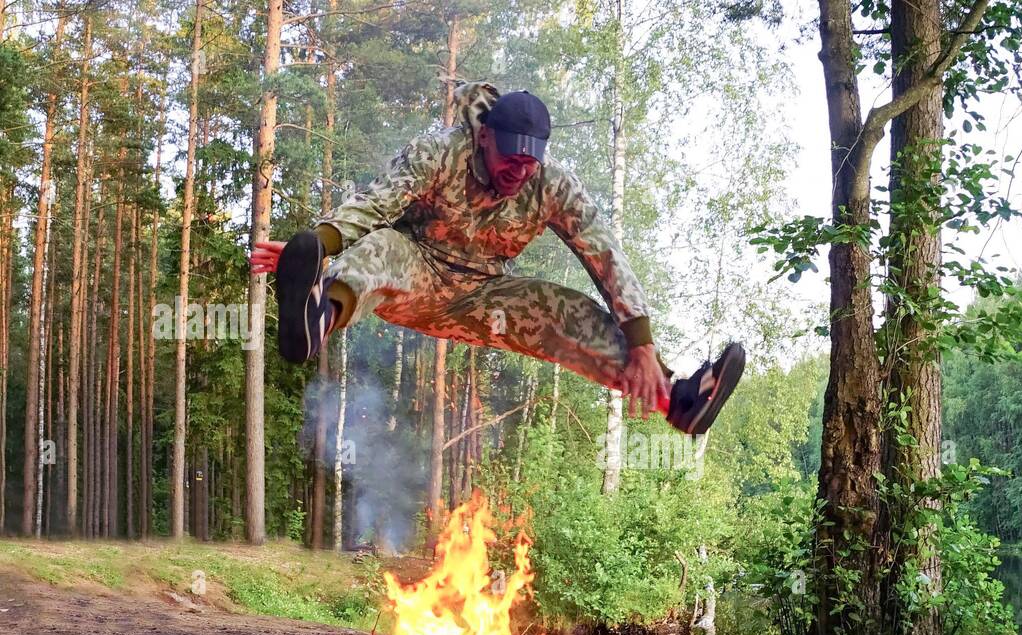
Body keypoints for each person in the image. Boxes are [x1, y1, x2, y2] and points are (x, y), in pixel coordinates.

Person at [251, 82, 744, 435]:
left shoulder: (551, 185)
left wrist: (641, 343)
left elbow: (605, 255)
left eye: (531, 164)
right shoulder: (439, 153)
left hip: (484, 296)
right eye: (512, 160)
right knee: (382, 247)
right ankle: (319, 316)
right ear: (485, 137)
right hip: (416, 272)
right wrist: (319, 245)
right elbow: (376, 204)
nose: (520, 174)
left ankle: (677, 400)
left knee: (566, 309)